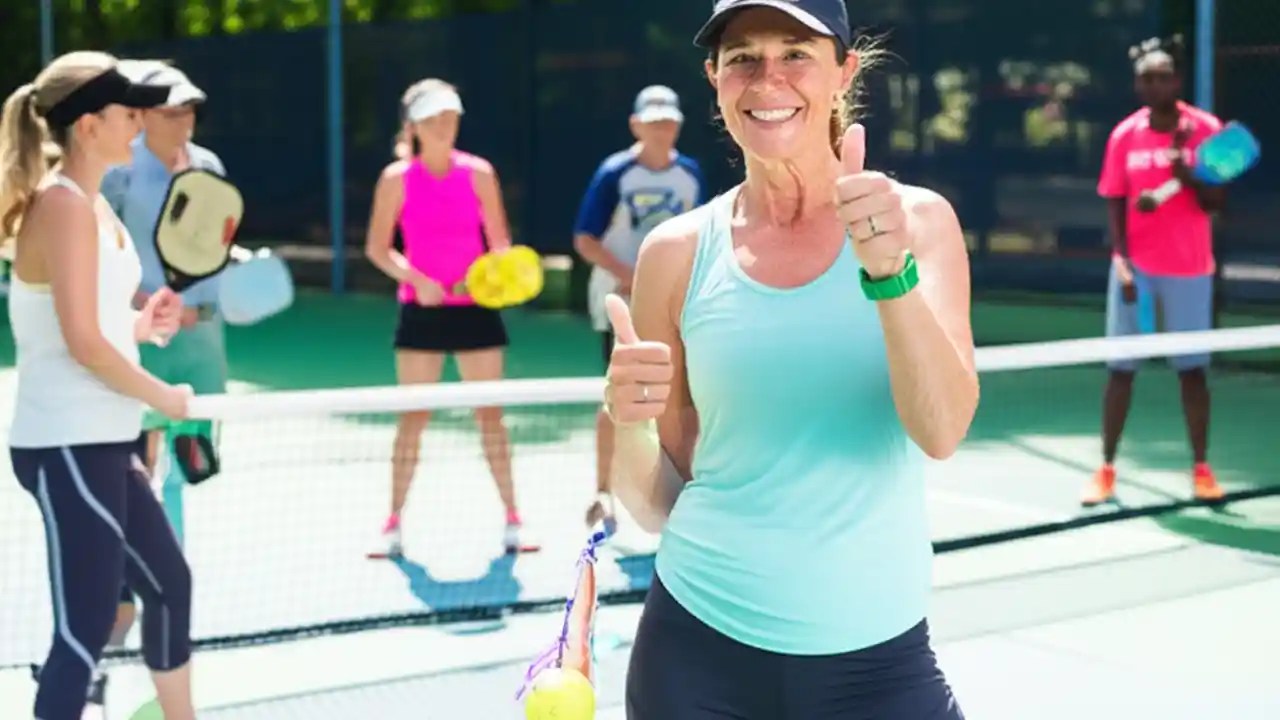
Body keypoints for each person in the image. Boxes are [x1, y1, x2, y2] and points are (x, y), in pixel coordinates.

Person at [606, 2, 977, 717]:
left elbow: (942, 429)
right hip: (695, 656)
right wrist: (626, 423)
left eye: (796, 53)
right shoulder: (675, 254)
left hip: (879, 667)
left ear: (844, 70)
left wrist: (888, 274)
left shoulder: (919, 221)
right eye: (743, 57)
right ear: (714, 79)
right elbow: (658, 504)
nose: (767, 78)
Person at [0, 50, 197, 720]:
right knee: (83, 631)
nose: (141, 121)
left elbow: (97, 328)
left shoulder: (95, 208)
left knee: (169, 587)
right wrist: (161, 396)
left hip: (105, 439)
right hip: (65, 443)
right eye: (128, 111)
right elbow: (81, 345)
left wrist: (143, 324)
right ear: (88, 125)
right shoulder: (62, 206)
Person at [364, 78, 534, 558]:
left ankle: (513, 520)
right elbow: (378, 248)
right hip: (421, 314)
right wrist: (417, 279)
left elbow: (499, 245)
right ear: (414, 126)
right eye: (435, 119)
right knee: (412, 420)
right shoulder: (395, 180)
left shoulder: (480, 173)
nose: (445, 126)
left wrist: (486, 279)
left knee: (491, 419)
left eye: (451, 118)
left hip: (476, 313)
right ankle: (393, 523)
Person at [1088, 34, 1226, 507]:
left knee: (1192, 373)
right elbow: (1115, 205)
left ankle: (1202, 471)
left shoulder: (1206, 130)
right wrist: (1121, 264)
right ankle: (1105, 470)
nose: (1155, 85)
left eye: (1163, 77)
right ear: (1137, 84)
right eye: (1147, 78)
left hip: (1190, 271)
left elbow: (1216, 202)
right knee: (1120, 372)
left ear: (1177, 81)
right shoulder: (1123, 136)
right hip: (1135, 272)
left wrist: (1187, 176)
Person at [573, 85, 705, 531]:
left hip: (678, 300)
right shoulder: (614, 174)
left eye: (667, 122)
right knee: (619, 394)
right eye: (652, 123)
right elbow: (585, 239)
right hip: (620, 301)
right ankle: (603, 495)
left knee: (684, 393)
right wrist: (630, 276)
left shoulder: (689, 174)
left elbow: (700, 233)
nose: (660, 130)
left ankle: (684, 487)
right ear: (636, 126)